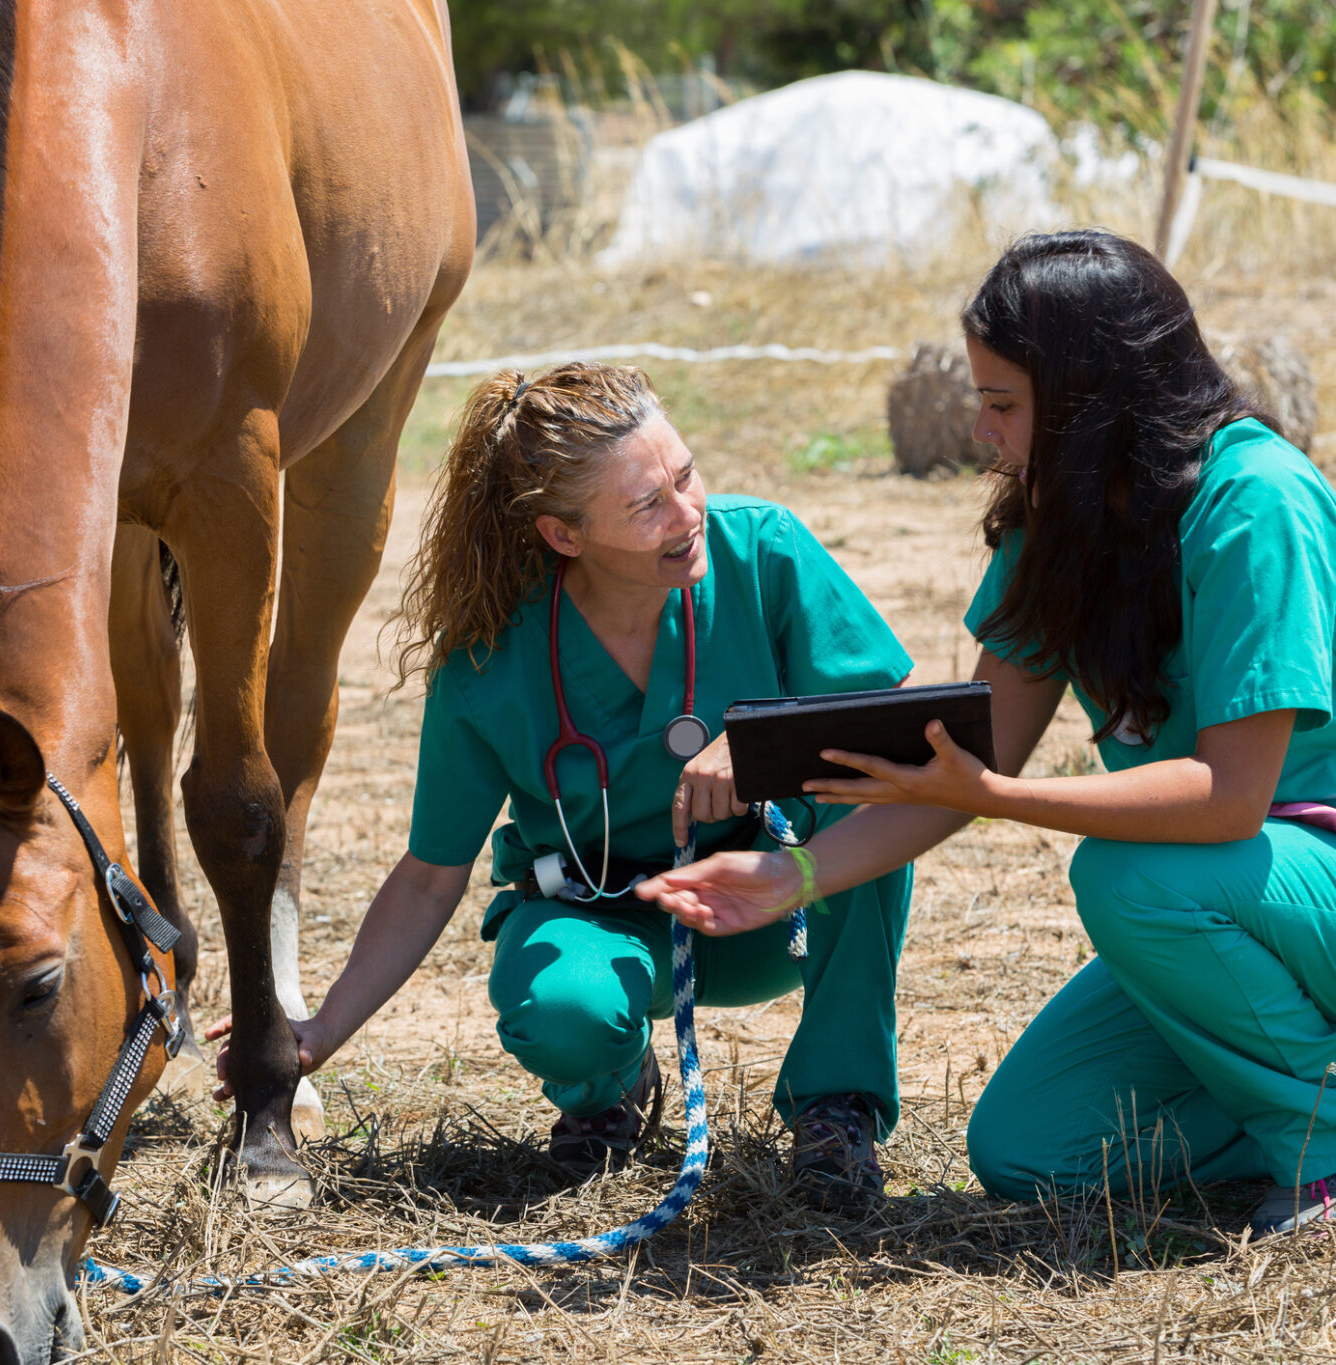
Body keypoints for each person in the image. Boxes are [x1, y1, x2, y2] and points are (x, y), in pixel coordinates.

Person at [635, 230, 1336, 1238]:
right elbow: (964, 757)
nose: (979, 429)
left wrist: (1000, 799)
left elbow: (1226, 799)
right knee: (1032, 1149)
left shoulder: (1255, 502)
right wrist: (792, 876)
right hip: (1258, 898)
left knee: (1126, 874)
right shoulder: (1058, 520)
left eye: (1001, 402)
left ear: (1091, 399)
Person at [215, 362, 917, 1208]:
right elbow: (430, 875)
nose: (687, 514)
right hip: (606, 917)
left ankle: (838, 1109)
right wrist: (320, 1030)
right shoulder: (488, 661)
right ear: (564, 535)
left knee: (874, 808)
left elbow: (903, 728)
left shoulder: (764, 550)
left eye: (686, 475)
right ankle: (611, 1087)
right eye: (647, 504)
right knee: (562, 1006)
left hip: (777, 902)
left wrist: (763, 748)